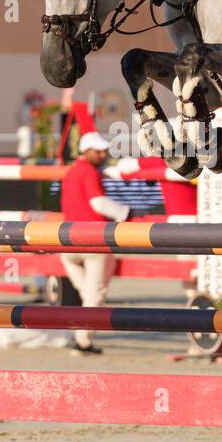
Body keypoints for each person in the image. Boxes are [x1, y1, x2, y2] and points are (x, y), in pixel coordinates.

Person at [58, 131, 131, 355]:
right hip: (93, 241)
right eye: (98, 151)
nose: (102, 154)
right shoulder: (89, 172)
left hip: (68, 243)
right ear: (85, 151)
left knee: (87, 293)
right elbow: (98, 203)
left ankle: (80, 335)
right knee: (94, 293)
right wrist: (126, 212)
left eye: (103, 150)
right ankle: (83, 341)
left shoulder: (71, 173)